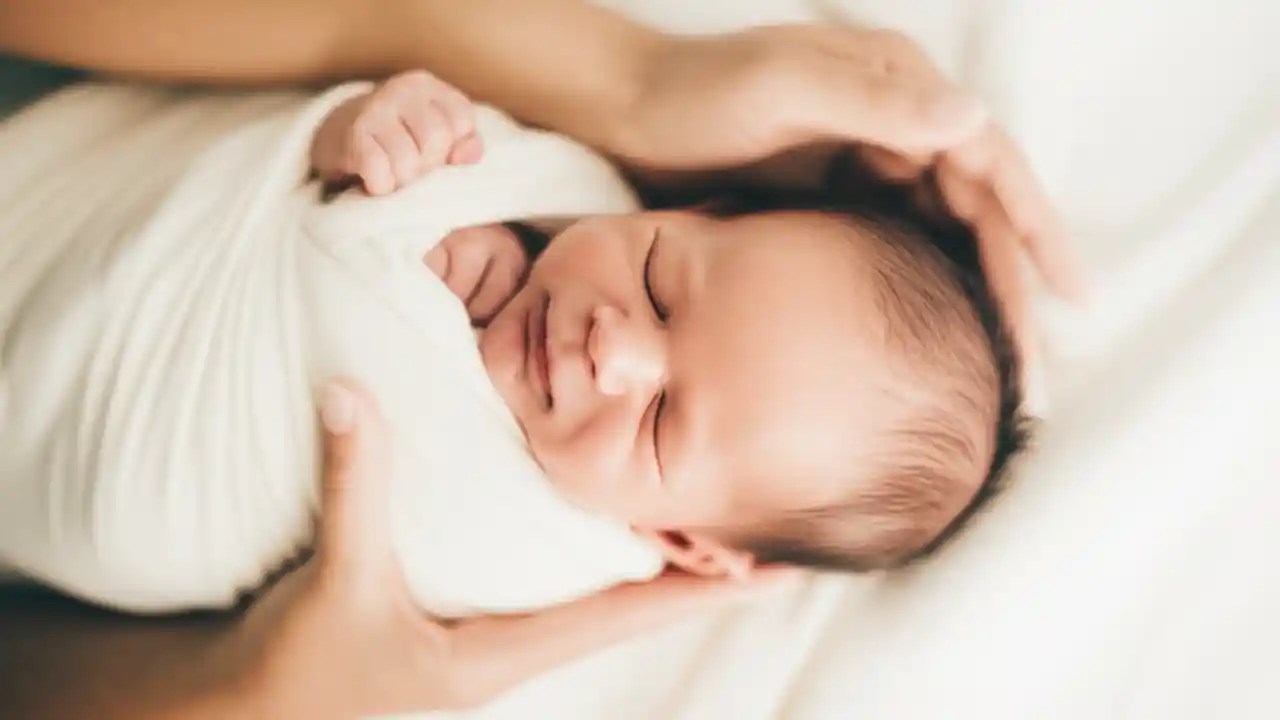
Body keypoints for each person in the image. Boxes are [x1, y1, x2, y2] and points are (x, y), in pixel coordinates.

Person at [0, 0, 1082, 716]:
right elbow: (342, 218)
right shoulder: (537, 180)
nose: (613, 349)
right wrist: (381, 140)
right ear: (687, 203)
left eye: (661, 423)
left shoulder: (544, 562)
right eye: (660, 280)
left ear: (688, 546)